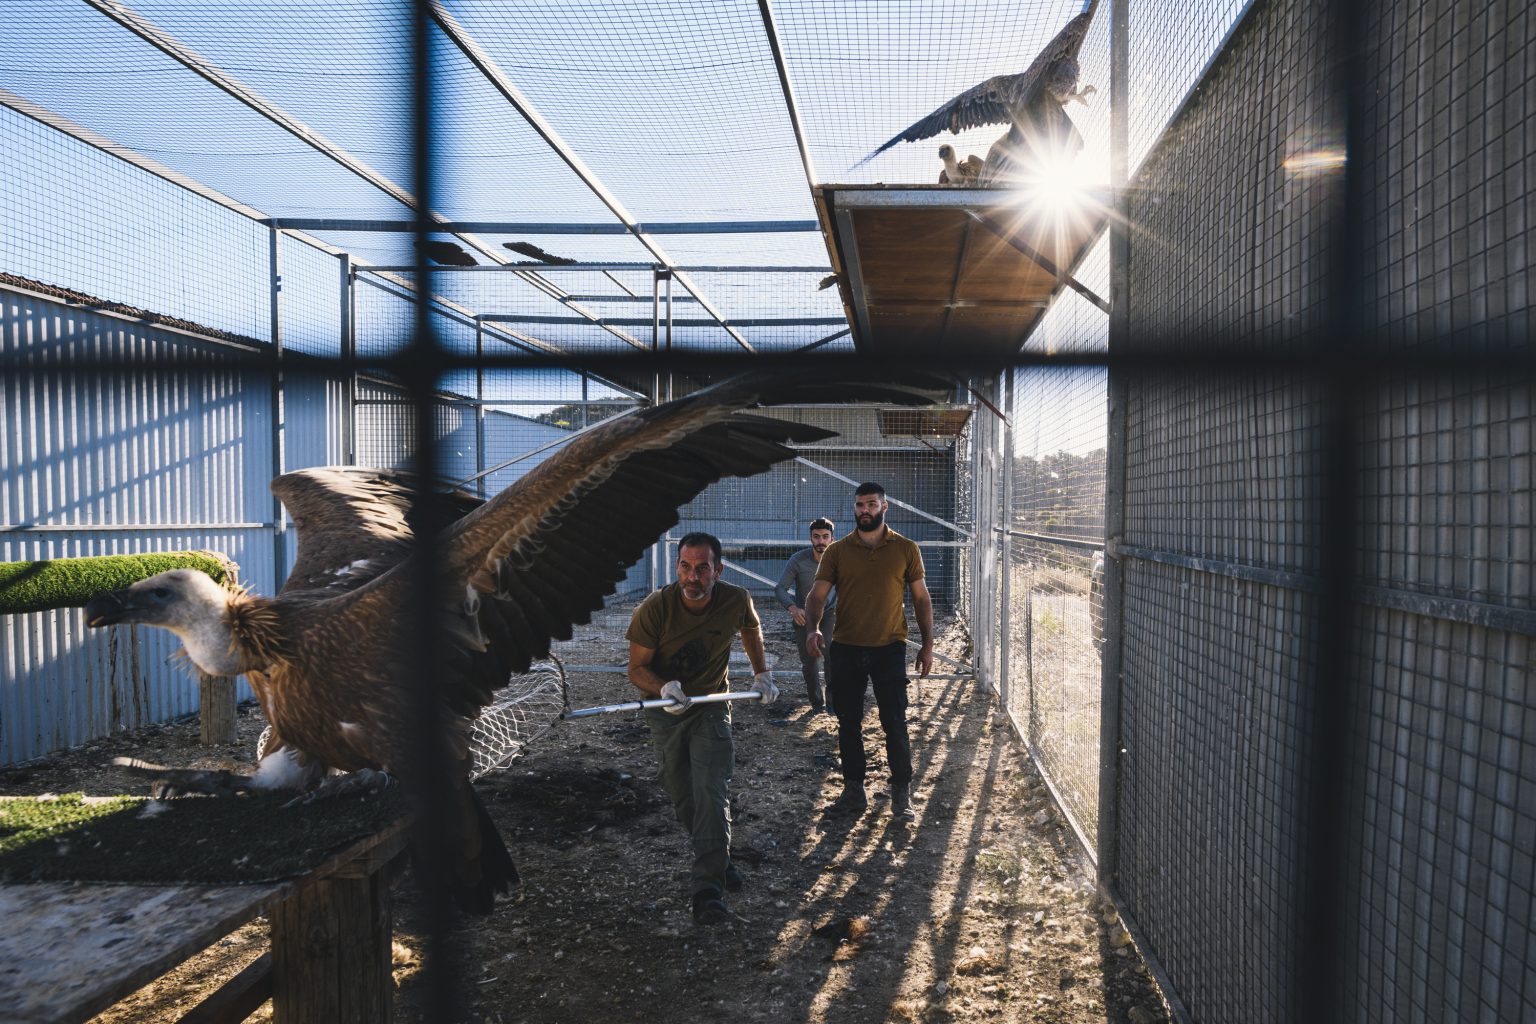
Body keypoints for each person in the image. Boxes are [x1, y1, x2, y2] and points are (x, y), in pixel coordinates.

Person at [626, 531, 778, 925]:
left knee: (710, 789)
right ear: (677, 566)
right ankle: (718, 855)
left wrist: (761, 674)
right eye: (685, 567)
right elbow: (636, 667)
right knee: (684, 796)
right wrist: (662, 687)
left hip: (712, 704)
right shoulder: (655, 608)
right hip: (667, 709)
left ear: (718, 569)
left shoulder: (735, 599)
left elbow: (750, 628)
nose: (692, 577)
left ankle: (707, 888)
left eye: (702, 568)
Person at [804, 483, 933, 822]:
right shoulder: (838, 551)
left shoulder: (906, 548)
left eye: (871, 504)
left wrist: (929, 645)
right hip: (846, 647)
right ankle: (853, 789)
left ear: (884, 507)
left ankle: (901, 795)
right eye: (860, 504)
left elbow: (921, 599)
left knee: (894, 721)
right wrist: (814, 628)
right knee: (848, 722)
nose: (864, 510)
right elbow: (816, 596)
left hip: (889, 648)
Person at [774, 517, 837, 713]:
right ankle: (816, 703)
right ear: (810, 538)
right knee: (809, 662)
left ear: (832, 539)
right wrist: (793, 608)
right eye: (816, 536)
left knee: (831, 657)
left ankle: (833, 705)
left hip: (830, 614)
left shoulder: (840, 560)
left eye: (825, 537)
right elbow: (780, 589)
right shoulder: (798, 560)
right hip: (805, 615)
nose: (821, 541)